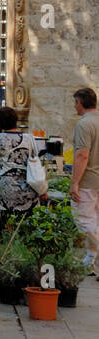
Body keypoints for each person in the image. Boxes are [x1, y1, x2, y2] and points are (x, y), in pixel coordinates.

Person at [0, 105, 41, 227]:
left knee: (1, 224)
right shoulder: (29, 138)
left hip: (7, 189)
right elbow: (36, 161)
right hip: (29, 188)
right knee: (27, 227)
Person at [69, 87, 99, 274]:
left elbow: (82, 155)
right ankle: (90, 259)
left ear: (79, 103)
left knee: (83, 221)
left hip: (88, 180)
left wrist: (74, 183)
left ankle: (92, 256)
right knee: (95, 221)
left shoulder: (84, 124)